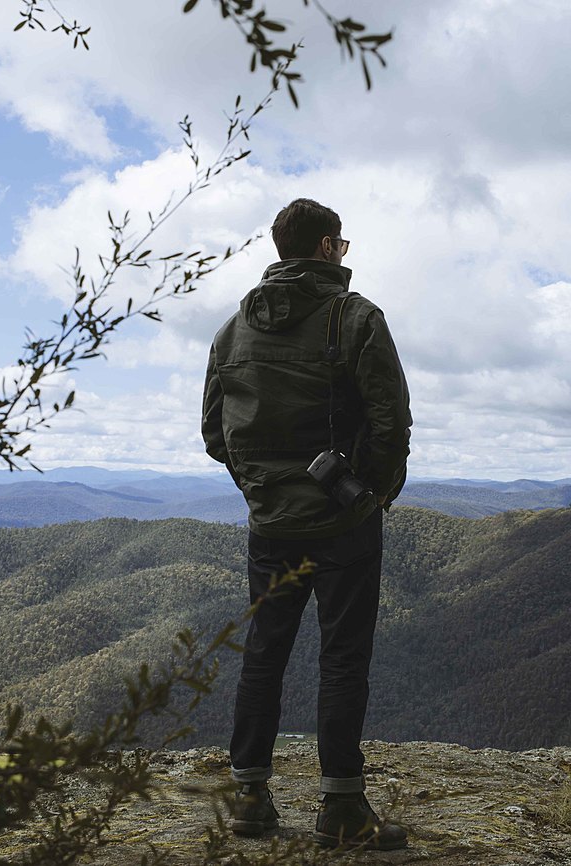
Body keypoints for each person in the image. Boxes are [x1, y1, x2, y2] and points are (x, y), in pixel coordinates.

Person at [201, 198, 412, 850]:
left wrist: (261, 490)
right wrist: (372, 494)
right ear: (325, 248)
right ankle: (341, 808)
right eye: (341, 245)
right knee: (343, 659)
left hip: (271, 525)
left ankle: (248, 799)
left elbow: (215, 433)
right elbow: (390, 421)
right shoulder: (355, 318)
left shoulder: (234, 330)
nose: (342, 254)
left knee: (264, 655)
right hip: (343, 521)